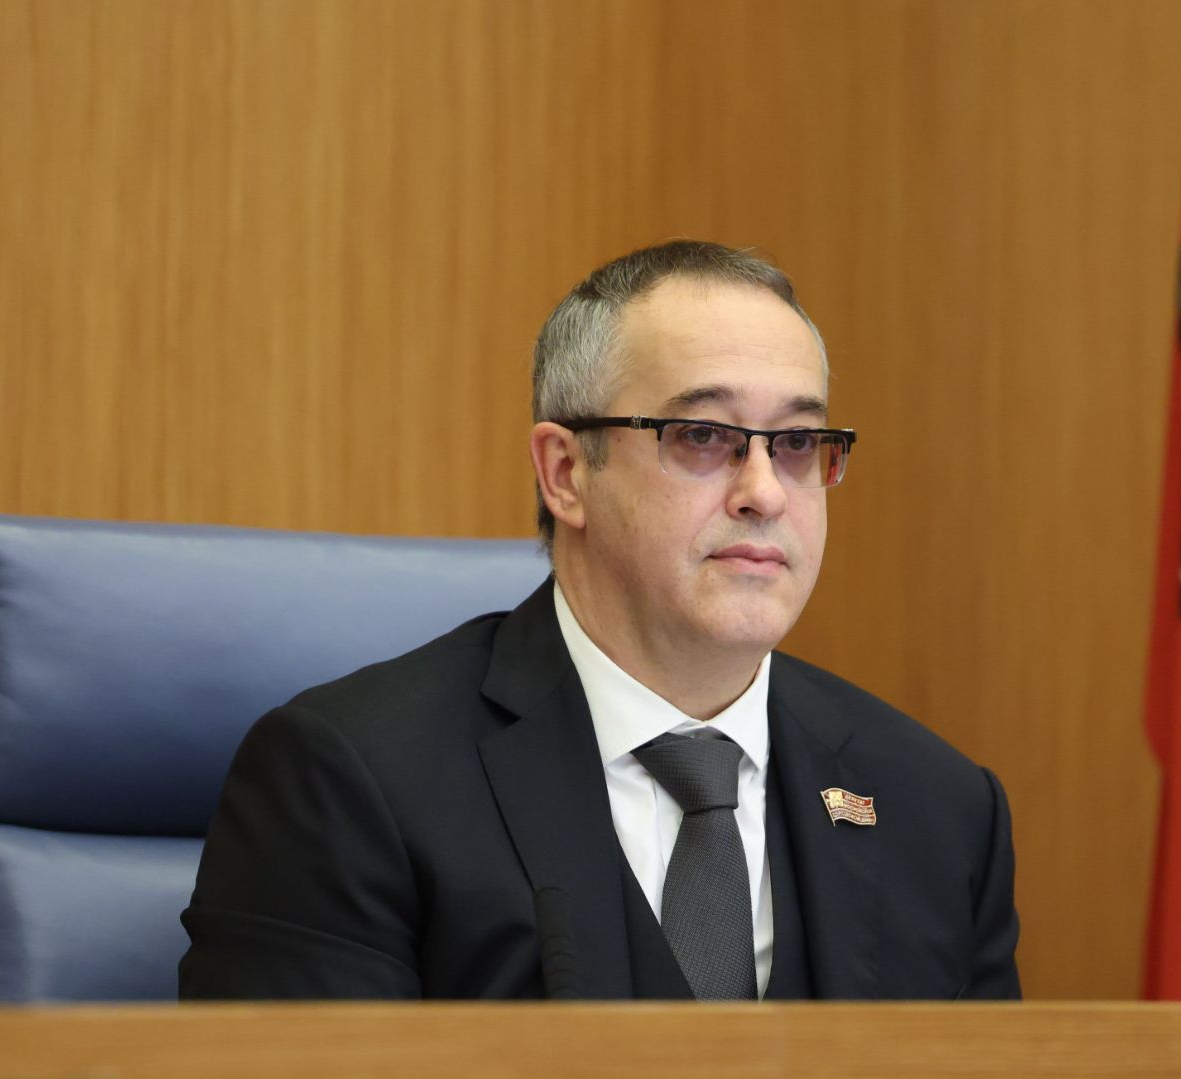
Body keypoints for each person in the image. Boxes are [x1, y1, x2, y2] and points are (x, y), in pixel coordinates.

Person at [179, 240, 1020, 1000]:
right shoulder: (350, 783)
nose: (764, 491)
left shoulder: (937, 809)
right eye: (703, 434)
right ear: (566, 472)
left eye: (798, 442)